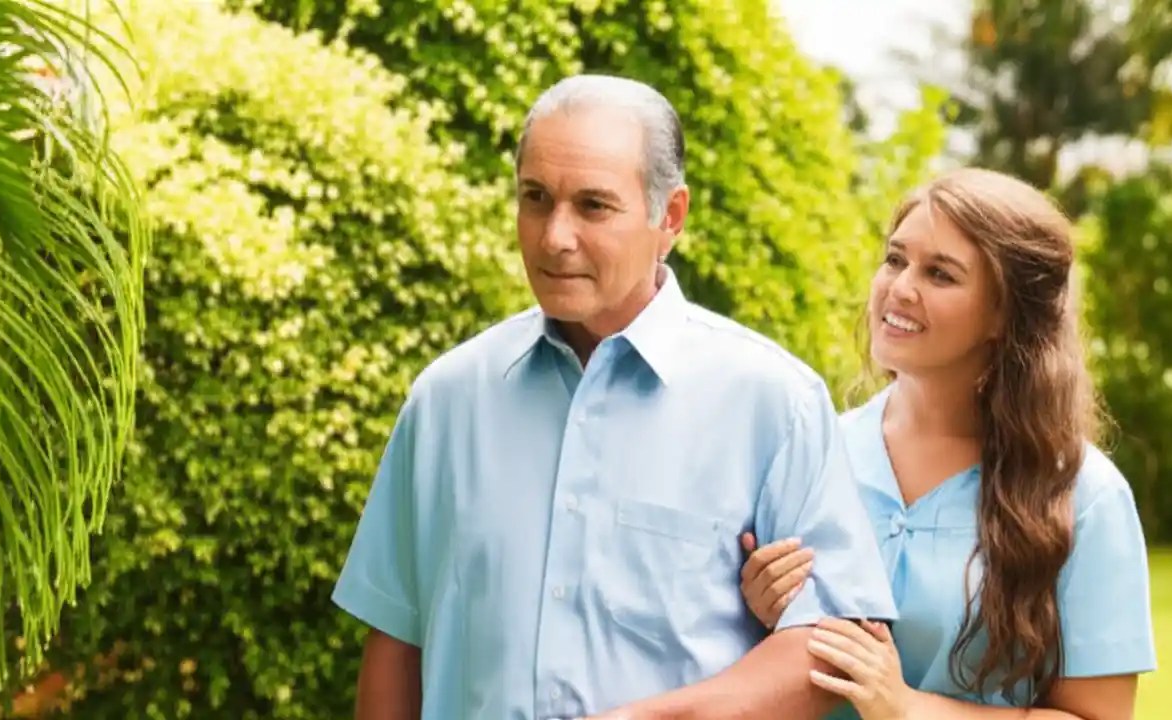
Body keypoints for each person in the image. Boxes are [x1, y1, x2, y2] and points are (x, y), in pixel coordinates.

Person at [331, 73, 897, 720]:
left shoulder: (774, 402)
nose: (554, 237)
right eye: (535, 198)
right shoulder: (445, 400)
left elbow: (836, 649)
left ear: (671, 217)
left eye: (593, 206)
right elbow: (397, 644)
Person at [738, 168, 1157, 719]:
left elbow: (1098, 716)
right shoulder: (809, 453)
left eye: (940, 274)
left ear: (1004, 314)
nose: (901, 287)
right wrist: (760, 615)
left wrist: (909, 709)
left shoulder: (1084, 495)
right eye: (895, 260)